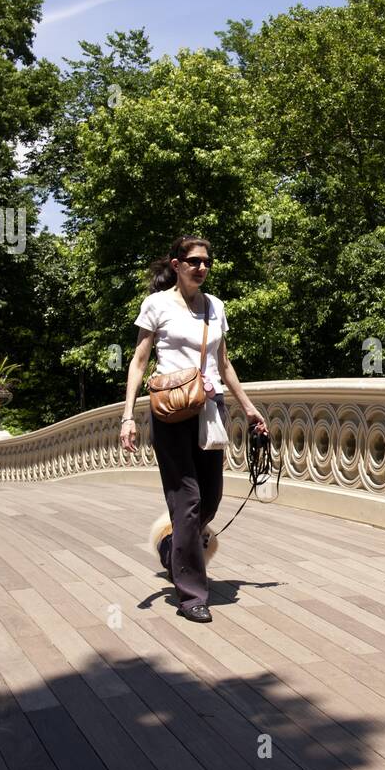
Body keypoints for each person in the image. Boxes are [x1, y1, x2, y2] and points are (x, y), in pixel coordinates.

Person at [119, 236, 267, 624]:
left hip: (210, 407)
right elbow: (139, 360)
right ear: (177, 264)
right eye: (194, 261)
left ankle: (173, 550)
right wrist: (128, 416)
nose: (202, 267)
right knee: (185, 502)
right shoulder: (157, 304)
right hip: (170, 410)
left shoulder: (215, 307)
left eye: (207, 262)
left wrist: (249, 409)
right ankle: (191, 596)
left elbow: (224, 363)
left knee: (211, 498)